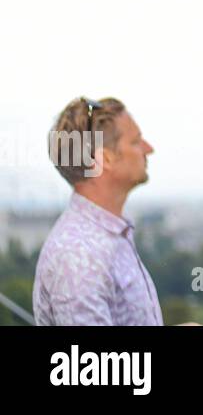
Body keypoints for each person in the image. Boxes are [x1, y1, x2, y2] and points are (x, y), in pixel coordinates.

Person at [34, 97, 163, 325]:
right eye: (135, 142)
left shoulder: (104, 237)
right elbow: (95, 361)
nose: (148, 149)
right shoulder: (78, 255)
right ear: (104, 159)